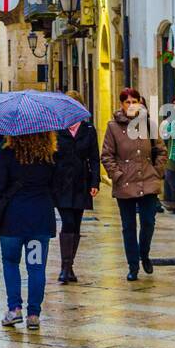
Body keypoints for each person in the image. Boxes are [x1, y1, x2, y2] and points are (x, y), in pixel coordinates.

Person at [0, 133, 57, 331]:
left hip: (13, 220)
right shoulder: (50, 156)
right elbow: (57, 187)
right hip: (39, 220)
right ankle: (34, 314)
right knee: (36, 266)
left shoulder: (8, 153)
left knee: (11, 262)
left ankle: (14, 309)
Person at [102, 87, 167, 282]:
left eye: (134, 101)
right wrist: (117, 174)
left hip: (148, 180)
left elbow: (161, 151)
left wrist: (156, 171)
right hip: (125, 183)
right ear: (121, 105)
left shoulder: (149, 125)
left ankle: (144, 253)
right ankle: (133, 266)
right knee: (128, 226)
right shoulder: (113, 127)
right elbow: (107, 155)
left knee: (148, 222)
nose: (131, 105)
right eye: (127, 102)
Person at [53, 91, 100, 283]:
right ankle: (65, 267)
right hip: (61, 182)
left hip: (81, 182)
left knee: (77, 223)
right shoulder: (56, 129)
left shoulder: (89, 129)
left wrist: (95, 182)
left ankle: (69, 266)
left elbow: (94, 158)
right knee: (68, 222)